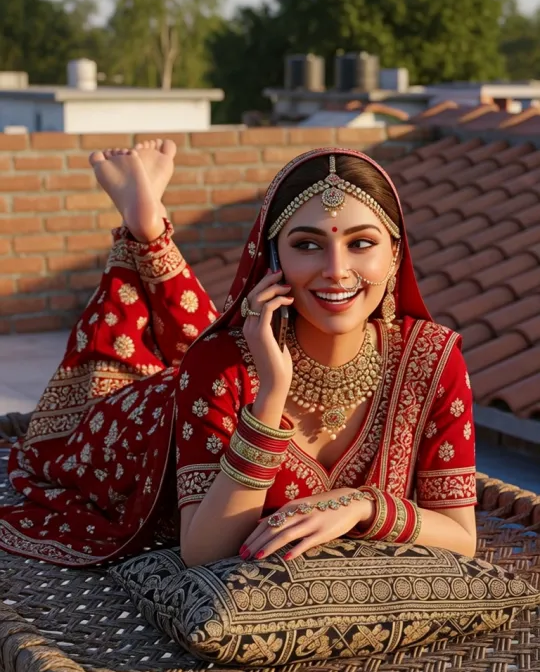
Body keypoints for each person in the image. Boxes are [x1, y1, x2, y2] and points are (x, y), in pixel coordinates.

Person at [0, 141, 477, 570]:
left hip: (208, 375)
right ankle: (145, 227)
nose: (336, 270)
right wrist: (269, 400)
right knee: (146, 364)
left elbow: (460, 536)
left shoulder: (431, 360)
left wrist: (362, 505)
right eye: (308, 245)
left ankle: (148, 224)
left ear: (395, 256)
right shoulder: (220, 367)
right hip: (143, 429)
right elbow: (204, 551)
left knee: (199, 333)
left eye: (361, 244)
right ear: (273, 260)